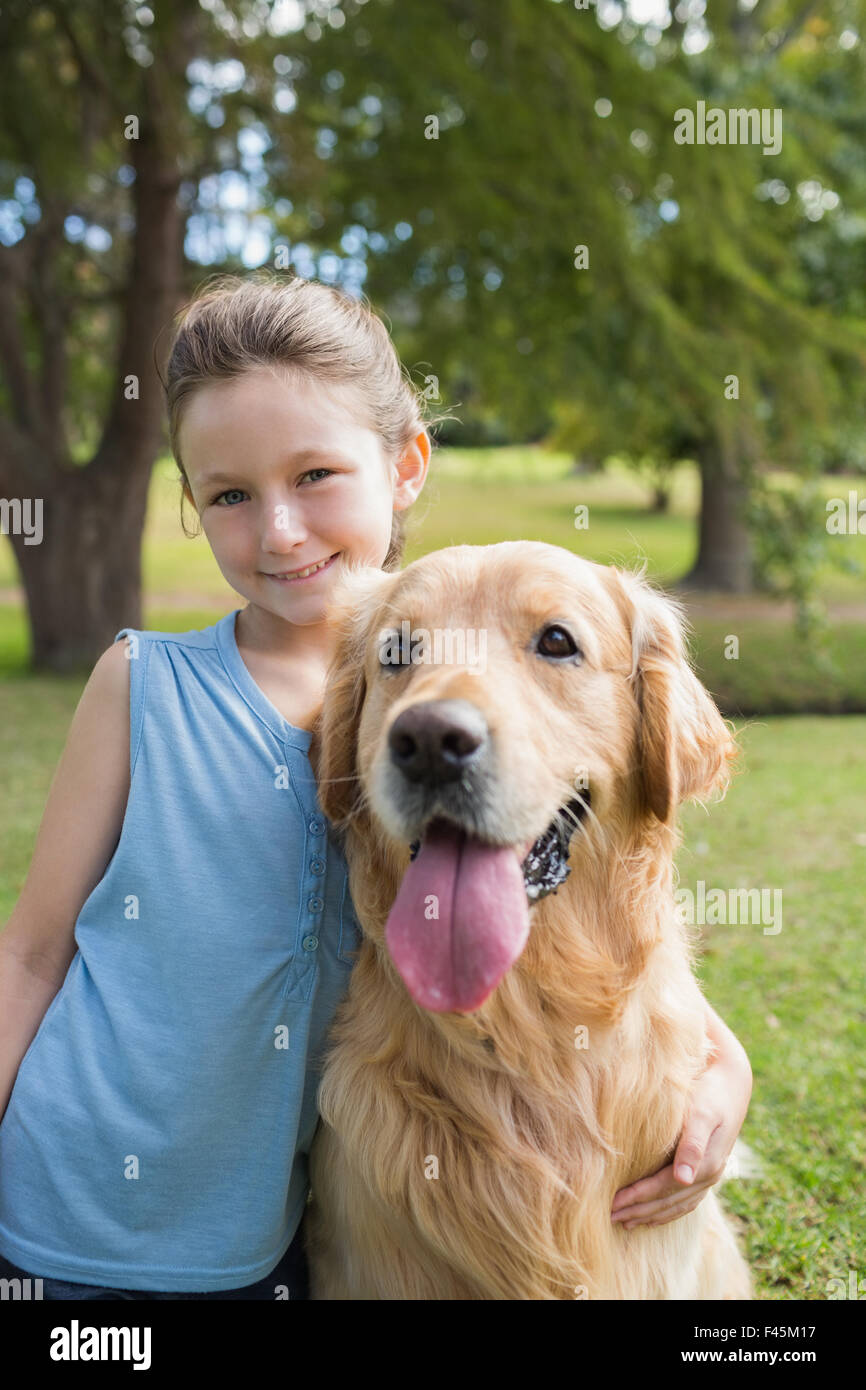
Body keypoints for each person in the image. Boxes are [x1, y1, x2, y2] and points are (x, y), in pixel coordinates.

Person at [0, 272, 752, 1300]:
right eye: (228, 494)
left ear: (404, 465)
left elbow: (622, 935)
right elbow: (30, 953)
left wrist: (722, 1068)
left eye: (314, 473)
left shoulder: (411, 678)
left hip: (255, 1258)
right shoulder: (149, 685)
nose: (278, 532)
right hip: (68, 1210)